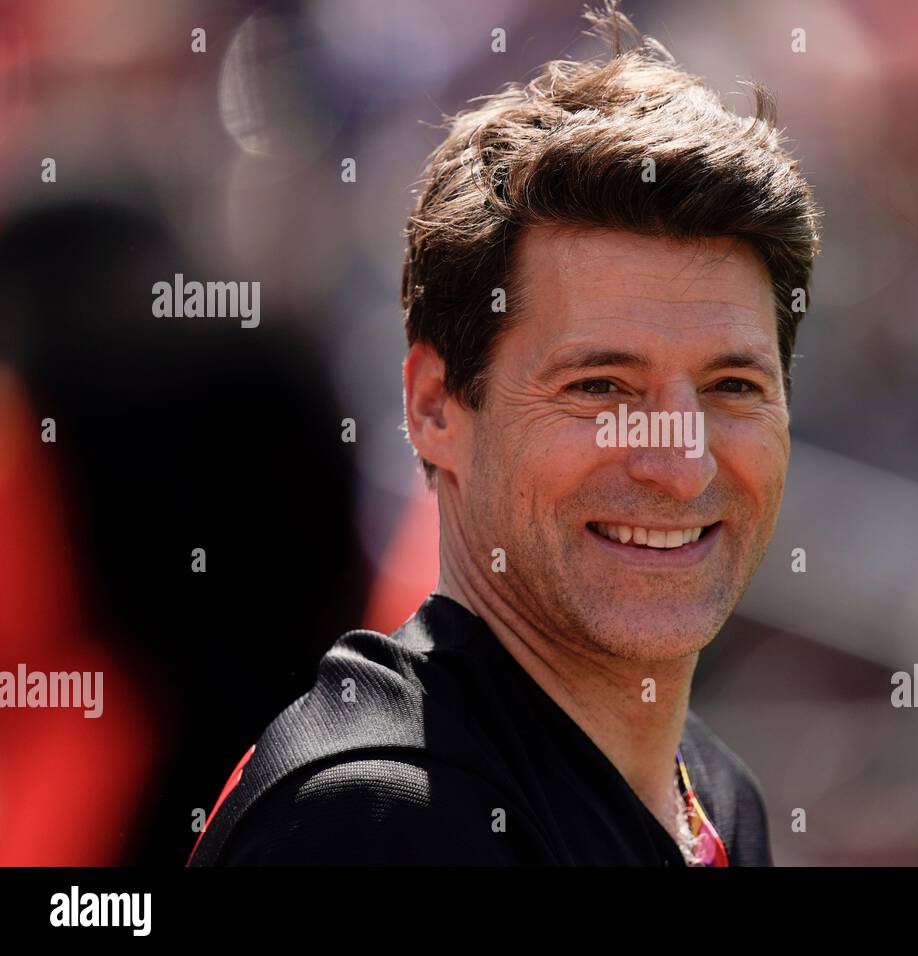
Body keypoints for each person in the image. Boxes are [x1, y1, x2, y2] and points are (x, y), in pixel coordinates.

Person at [189, 0, 820, 867]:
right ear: (434, 408)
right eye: (600, 387)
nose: (681, 463)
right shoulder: (379, 820)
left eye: (732, 387)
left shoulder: (715, 792)